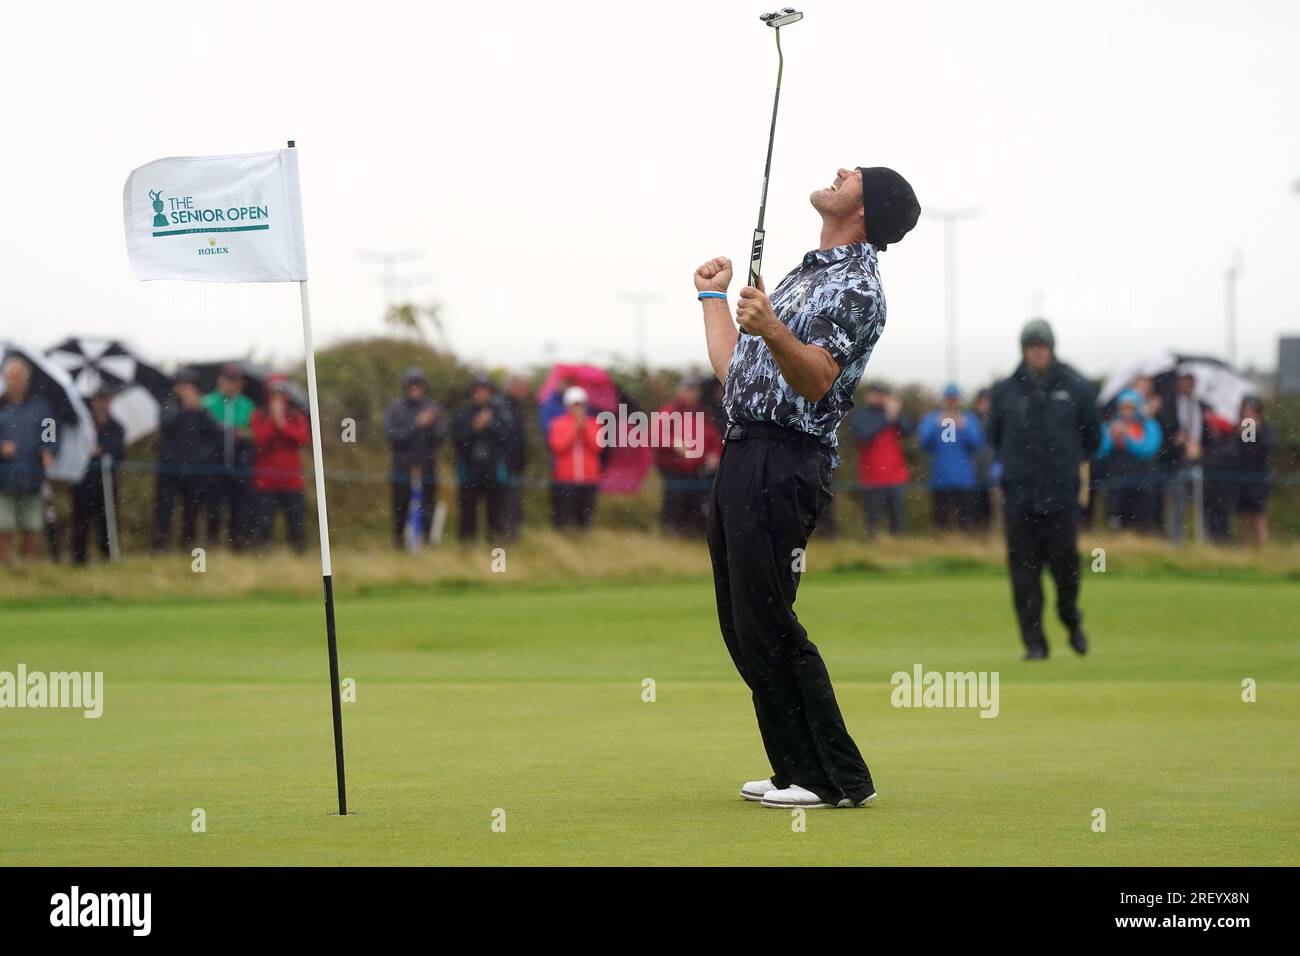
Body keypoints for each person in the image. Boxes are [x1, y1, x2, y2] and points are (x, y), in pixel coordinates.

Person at [694, 164, 920, 810]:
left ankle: (837, 776)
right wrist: (715, 299)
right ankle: (795, 766)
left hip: (785, 461)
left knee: (769, 621)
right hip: (744, 454)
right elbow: (736, 370)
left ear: (866, 208)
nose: (842, 170)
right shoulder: (804, 273)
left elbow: (817, 376)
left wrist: (772, 329)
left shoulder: (858, 287)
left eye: (856, 174)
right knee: (743, 624)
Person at [988, 320, 1100, 660]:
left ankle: (1070, 618)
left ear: (1051, 348)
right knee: (1024, 577)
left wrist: (1065, 466)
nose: (1037, 352)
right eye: (1031, 346)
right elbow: (994, 436)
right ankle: (1034, 644)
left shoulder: (1077, 387)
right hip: (1020, 499)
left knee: (1067, 572)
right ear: (1024, 350)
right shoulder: (1005, 391)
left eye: (1042, 346)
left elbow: (1092, 439)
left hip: (1062, 498)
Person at [153, 370, 222, 553]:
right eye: (182, 386)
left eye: (189, 387)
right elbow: (165, 425)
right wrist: (182, 408)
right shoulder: (169, 406)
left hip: (194, 469)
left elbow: (216, 434)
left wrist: (200, 410)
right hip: (169, 467)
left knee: (191, 510)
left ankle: (187, 545)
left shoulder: (203, 410)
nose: (185, 390)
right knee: (164, 509)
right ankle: (161, 545)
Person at [0, 356, 56, 564]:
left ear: (27, 379)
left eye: (20, 376)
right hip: (3, 479)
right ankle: (6, 565)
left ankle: (29, 567)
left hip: (33, 478)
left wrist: (48, 450)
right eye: (12, 376)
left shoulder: (41, 407)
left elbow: (49, 430)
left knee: (32, 525)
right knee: (3, 525)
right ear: (5, 378)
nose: (16, 380)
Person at [384, 368, 447, 549]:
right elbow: (394, 437)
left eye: (419, 386)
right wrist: (417, 425)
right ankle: (399, 543)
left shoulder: (433, 409)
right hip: (402, 466)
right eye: (412, 386)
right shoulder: (395, 409)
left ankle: (427, 542)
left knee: (428, 505)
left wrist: (429, 426)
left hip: (427, 465)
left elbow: (440, 437)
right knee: (400, 506)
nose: (415, 390)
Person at [654, 378, 722, 537]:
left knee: (696, 504)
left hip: (697, 471)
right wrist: (673, 443)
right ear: (680, 391)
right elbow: (655, 434)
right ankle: (669, 534)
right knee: (674, 502)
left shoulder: (703, 414)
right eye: (688, 390)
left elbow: (714, 439)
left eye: (694, 390)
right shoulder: (669, 412)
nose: (692, 394)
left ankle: (692, 535)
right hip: (673, 469)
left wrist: (715, 454)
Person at [250, 375, 310, 552]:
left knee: (296, 522)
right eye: (274, 393)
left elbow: (303, 439)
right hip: (266, 480)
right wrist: (273, 422)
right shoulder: (259, 415)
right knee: (263, 522)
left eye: (281, 392)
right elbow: (259, 441)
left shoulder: (295, 415)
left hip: (292, 479)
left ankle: (300, 554)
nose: (277, 397)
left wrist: (283, 425)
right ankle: (261, 554)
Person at [451, 377, 512, 542]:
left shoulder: (499, 411)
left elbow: (506, 436)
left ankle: (496, 553)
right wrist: (475, 428)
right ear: (473, 392)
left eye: (485, 391)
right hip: (469, 471)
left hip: (493, 471)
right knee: (467, 513)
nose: (481, 394)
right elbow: (458, 440)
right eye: (478, 390)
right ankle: (467, 549)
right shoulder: (463, 412)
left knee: (496, 513)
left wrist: (489, 423)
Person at [917, 384, 984, 532]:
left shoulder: (969, 419)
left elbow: (977, 444)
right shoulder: (931, 419)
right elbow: (923, 442)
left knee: (966, 520)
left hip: (964, 479)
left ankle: (966, 546)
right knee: (941, 519)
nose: (951, 402)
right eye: (949, 399)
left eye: (954, 399)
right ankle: (943, 546)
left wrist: (964, 427)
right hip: (940, 478)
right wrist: (936, 425)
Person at [70, 388, 126, 564]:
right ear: (93, 401)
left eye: (106, 400)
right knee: (80, 521)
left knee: (107, 522)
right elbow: (75, 448)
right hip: (83, 480)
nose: (102, 404)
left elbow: (118, 452)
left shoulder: (117, 427)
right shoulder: (82, 424)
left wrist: (102, 450)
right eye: (99, 400)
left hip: (106, 482)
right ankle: (79, 558)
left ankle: (107, 555)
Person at [202, 364, 255, 549]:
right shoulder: (206, 403)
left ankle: (237, 544)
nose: (231, 385)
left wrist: (244, 433)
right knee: (213, 508)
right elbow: (202, 432)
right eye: (228, 380)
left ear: (241, 383)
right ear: (220, 380)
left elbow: (253, 432)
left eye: (235, 381)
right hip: (214, 464)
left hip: (239, 464)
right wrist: (219, 430)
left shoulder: (247, 405)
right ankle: (211, 543)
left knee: (238, 508)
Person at [849, 382, 911, 537]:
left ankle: (898, 545)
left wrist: (896, 414)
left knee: (897, 520)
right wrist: (887, 418)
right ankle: (873, 546)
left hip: (896, 476)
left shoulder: (893, 415)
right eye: (876, 394)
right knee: (872, 519)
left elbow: (908, 431)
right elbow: (864, 435)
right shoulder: (862, 416)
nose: (879, 398)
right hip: (872, 477)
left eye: (883, 394)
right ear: (868, 396)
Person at [1096, 390, 1163, 531]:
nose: (1127, 412)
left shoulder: (1149, 425)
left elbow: (1147, 450)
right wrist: (1111, 437)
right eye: (1123, 408)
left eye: (1130, 408)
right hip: (1116, 477)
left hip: (1142, 479)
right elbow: (1100, 451)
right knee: (1115, 513)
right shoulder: (1109, 426)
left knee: (1141, 516)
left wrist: (1127, 436)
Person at [547, 386, 603, 530]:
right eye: (574, 405)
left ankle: (583, 542)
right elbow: (558, 447)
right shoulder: (558, 423)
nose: (577, 408)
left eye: (580, 405)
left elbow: (598, 447)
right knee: (563, 516)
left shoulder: (593, 423)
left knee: (584, 517)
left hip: (589, 478)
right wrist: (574, 429)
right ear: (568, 406)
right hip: (565, 478)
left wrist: (584, 429)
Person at [1234, 395, 1274, 547]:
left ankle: (1263, 549)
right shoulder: (1244, 428)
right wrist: (1242, 432)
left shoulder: (1264, 428)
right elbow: (1242, 451)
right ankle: (1246, 548)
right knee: (1244, 516)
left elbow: (1265, 449)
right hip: (1243, 478)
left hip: (1258, 478)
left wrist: (1255, 430)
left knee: (1258, 515)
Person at [500, 374, 532, 540]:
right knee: (507, 505)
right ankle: (505, 539)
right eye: (523, 387)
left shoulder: (515, 406)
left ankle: (511, 537)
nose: (526, 392)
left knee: (514, 505)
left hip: (514, 465)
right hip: (505, 466)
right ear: (513, 387)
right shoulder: (502, 405)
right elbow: (504, 438)